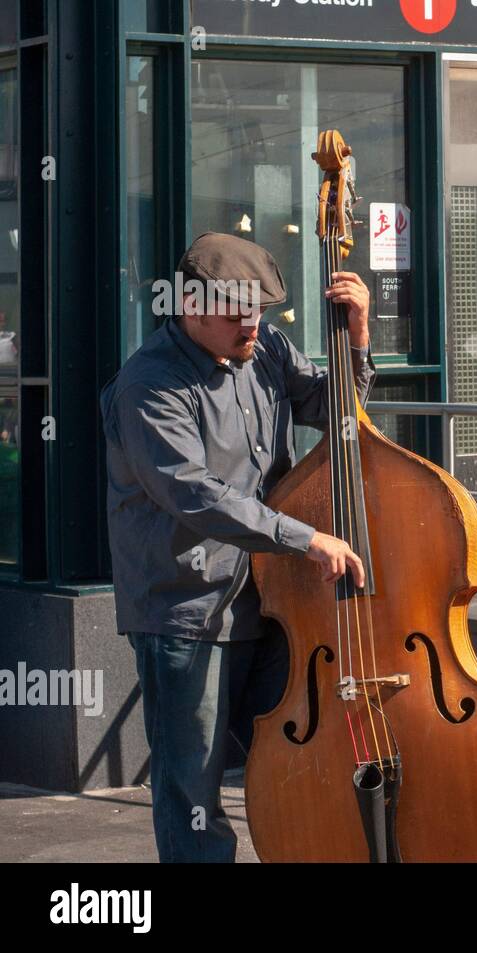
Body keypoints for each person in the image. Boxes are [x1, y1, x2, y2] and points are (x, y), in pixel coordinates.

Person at [100, 232, 372, 862]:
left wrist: (357, 338)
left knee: (297, 755)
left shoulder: (266, 347)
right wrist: (305, 538)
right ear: (189, 305)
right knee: (192, 788)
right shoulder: (150, 385)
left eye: (260, 309)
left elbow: (337, 413)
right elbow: (198, 495)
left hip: (269, 601)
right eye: (234, 312)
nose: (251, 324)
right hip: (186, 610)